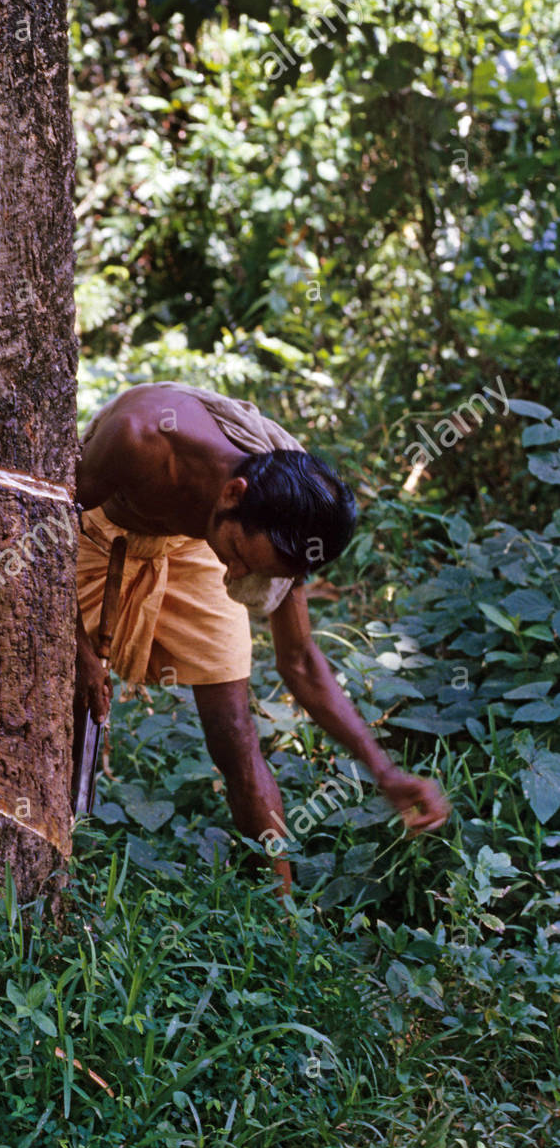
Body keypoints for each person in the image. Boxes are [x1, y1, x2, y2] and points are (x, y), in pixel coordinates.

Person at [74, 381, 451, 894]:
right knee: (65, 701)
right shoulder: (140, 437)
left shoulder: (289, 517)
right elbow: (42, 525)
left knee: (235, 732)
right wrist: (78, 651)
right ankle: (58, 863)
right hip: (94, 534)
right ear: (233, 493)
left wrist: (384, 771)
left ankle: (281, 912)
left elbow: (299, 662)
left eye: (255, 570)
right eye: (240, 559)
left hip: (196, 543)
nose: (237, 574)